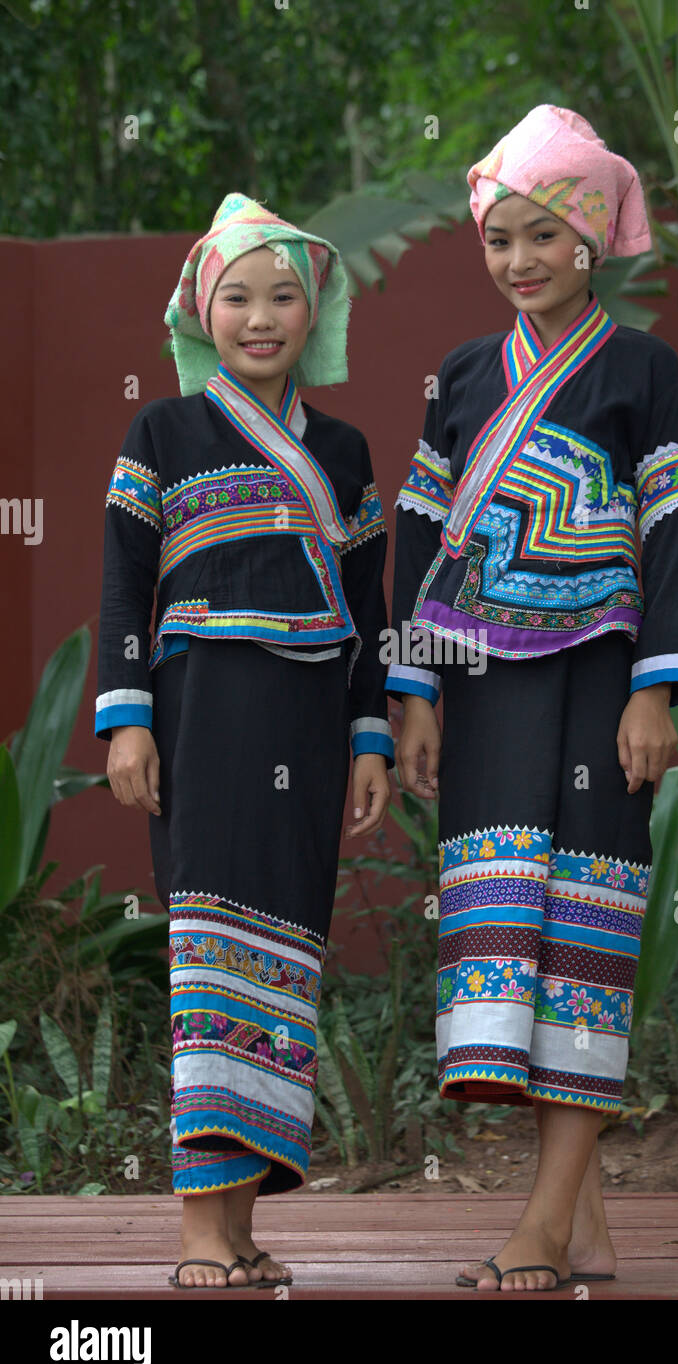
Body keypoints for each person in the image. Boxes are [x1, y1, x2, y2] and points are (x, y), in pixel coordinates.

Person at [386, 106, 678, 1292]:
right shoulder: (466, 378)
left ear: (588, 239)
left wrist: (654, 690)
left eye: (540, 237)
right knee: (506, 943)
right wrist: (413, 688)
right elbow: (421, 535)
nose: (518, 260)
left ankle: (538, 1228)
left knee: (583, 938)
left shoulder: (644, 371)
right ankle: (583, 1224)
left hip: (597, 689)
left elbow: (673, 534)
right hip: (482, 694)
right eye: (496, 240)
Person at [95, 193, 393, 1289]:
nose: (261, 317)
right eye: (238, 297)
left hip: (310, 731)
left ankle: (245, 1220)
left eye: (283, 297)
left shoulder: (349, 451)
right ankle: (197, 1232)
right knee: (210, 954)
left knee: (283, 961)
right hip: (201, 718)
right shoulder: (161, 434)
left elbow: (371, 604)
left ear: (312, 315)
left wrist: (371, 736)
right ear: (200, 310)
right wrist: (127, 715)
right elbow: (125, 584)